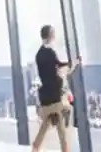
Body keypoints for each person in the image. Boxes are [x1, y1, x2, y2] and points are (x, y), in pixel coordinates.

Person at [31, 24, 81, 152]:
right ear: (51, 36)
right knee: (63, 131)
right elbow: (61, 69)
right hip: (56, 97)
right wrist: (74, 63)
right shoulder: (51, 53)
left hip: (45, 98)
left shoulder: (39, 54)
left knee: (46, 125)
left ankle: (35, 148)